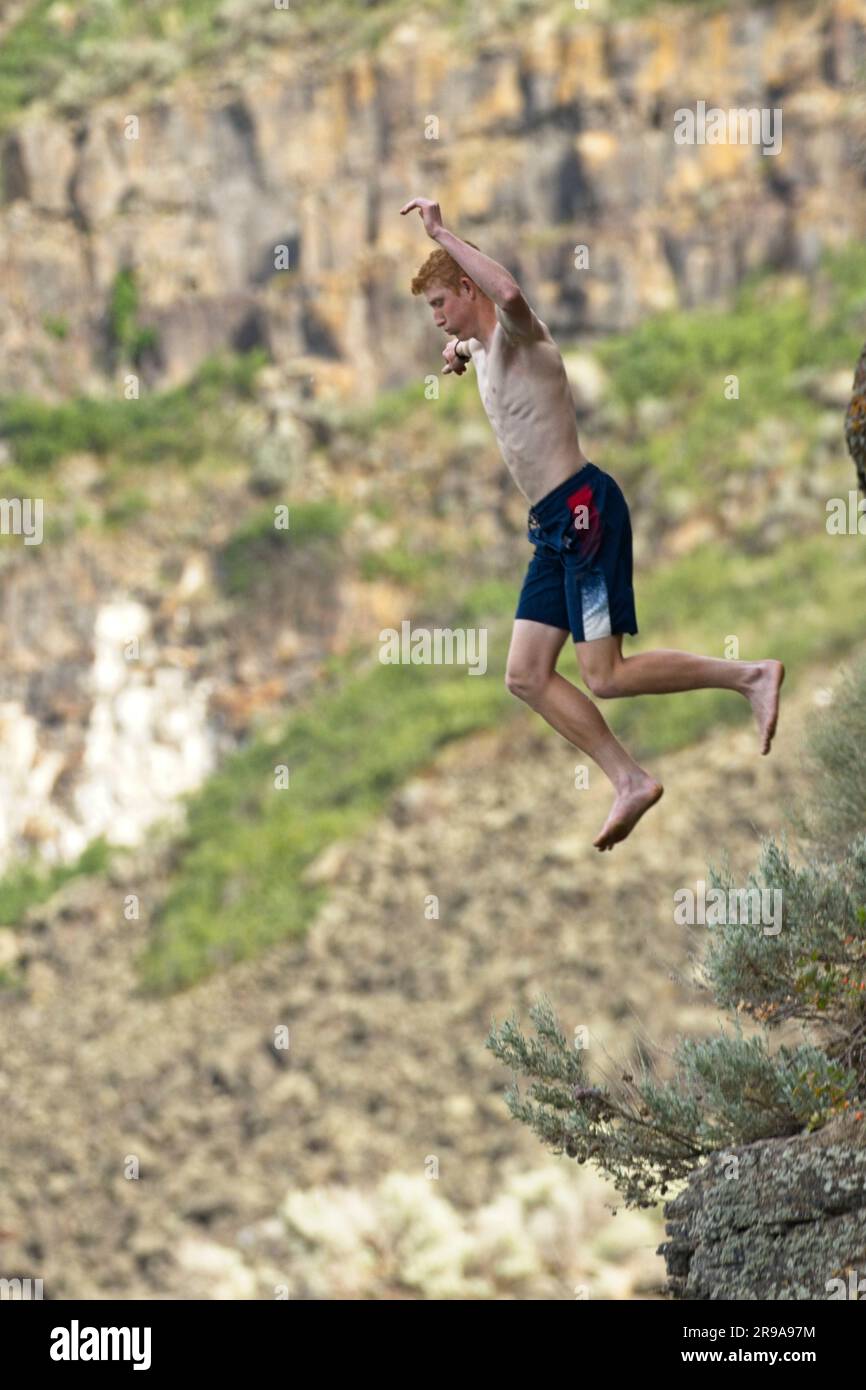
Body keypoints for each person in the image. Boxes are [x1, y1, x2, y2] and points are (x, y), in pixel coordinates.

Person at [401, 196, 784, 850]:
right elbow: (474, 346)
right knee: (524, 674)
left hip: (586, 514)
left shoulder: (524, 335)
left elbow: (511, 292)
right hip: (552, 531)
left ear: (468, 287)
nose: (437, 319)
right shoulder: (484, 350)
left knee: (606, 675)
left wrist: (442, 233)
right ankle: (628, 780)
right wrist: (458, 353)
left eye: (441, 304)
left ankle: (749, 675)